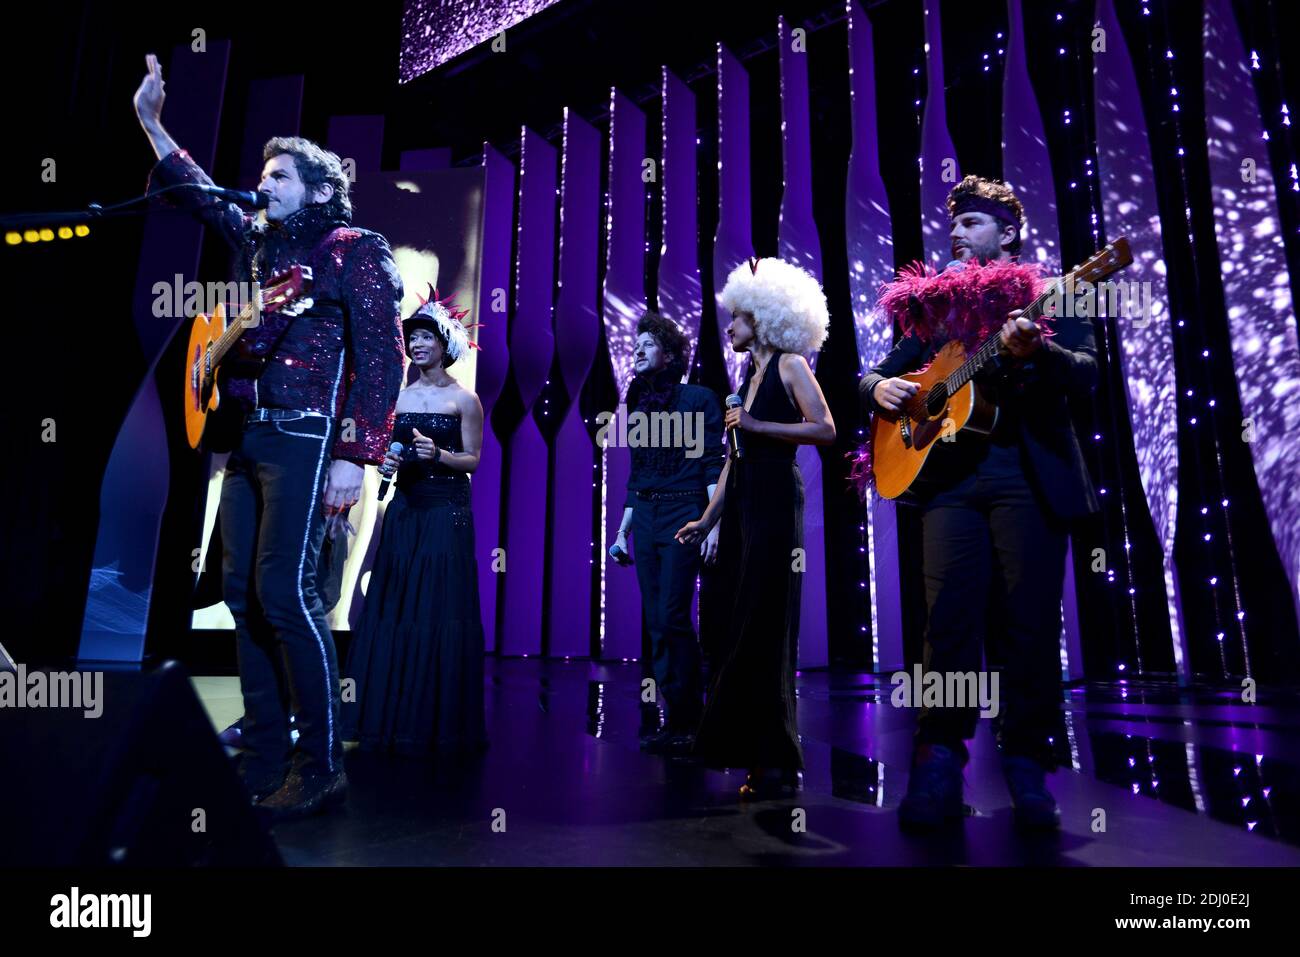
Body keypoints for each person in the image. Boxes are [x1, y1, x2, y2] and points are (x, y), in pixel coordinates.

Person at [135, 54, 405, 819]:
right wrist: (152, 123)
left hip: (312, 434)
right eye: (264, 174)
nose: (265, 184)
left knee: (287, 592)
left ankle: (319, 762)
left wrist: (360, 456)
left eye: (281, 175)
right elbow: (195, 193)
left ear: (319, 188)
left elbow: (381, 356)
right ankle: (261, 756)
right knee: (238, 594)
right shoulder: (259, 239)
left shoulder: (355, 245)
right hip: (250, 432)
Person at [856, 175, 1099, 830]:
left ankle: (1026, 760)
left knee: (1027, 624)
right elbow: (882, 368)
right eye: (955, 224)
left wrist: (1038, 348)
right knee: (948, 620)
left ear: (1008, 233)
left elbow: (1085, 371)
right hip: (951, 485)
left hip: (1027, 474)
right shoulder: (936, 309)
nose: (957, 234)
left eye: (972, 224)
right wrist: (876, 384)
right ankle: (937, 757)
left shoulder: (1053, 292)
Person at [676, 258, 835, 798]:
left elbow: (826, 428)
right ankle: (746, 749)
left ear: (763, 319)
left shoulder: (791, 365)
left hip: (773, 498)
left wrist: (758, 424)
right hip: (744, 499)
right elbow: (732, 459)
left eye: (738, 318)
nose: (730, 328)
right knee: (737, 621)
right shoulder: (747, 378)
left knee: (768, 623)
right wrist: (706, 519)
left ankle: (776, 760)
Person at [342, 288, 488, 758]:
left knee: (437, 610)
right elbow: (391, 450)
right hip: (405, 509)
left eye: (426, 336)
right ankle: (385, 716)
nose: (418, 343)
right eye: (414, 337)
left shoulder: (465, 400)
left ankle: (432, 720)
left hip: (445, 512)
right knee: (396, 604)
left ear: (445, 344)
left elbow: (474, 461)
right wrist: (388, 461)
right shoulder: (399, 398)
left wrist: (440, 455)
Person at [610, 312, 724, 755]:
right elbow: (639, 473)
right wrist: (622, 532)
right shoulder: (637, 399)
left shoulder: (698, 398)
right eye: (635, 344)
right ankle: (673, 715)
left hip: (684, 513)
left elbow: (711, 465)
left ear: (671, 354)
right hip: (648, 516)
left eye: (648, 344)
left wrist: (712, 521)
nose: (636, 350)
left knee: (674, 614)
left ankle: (689, 717)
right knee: (656, 620)